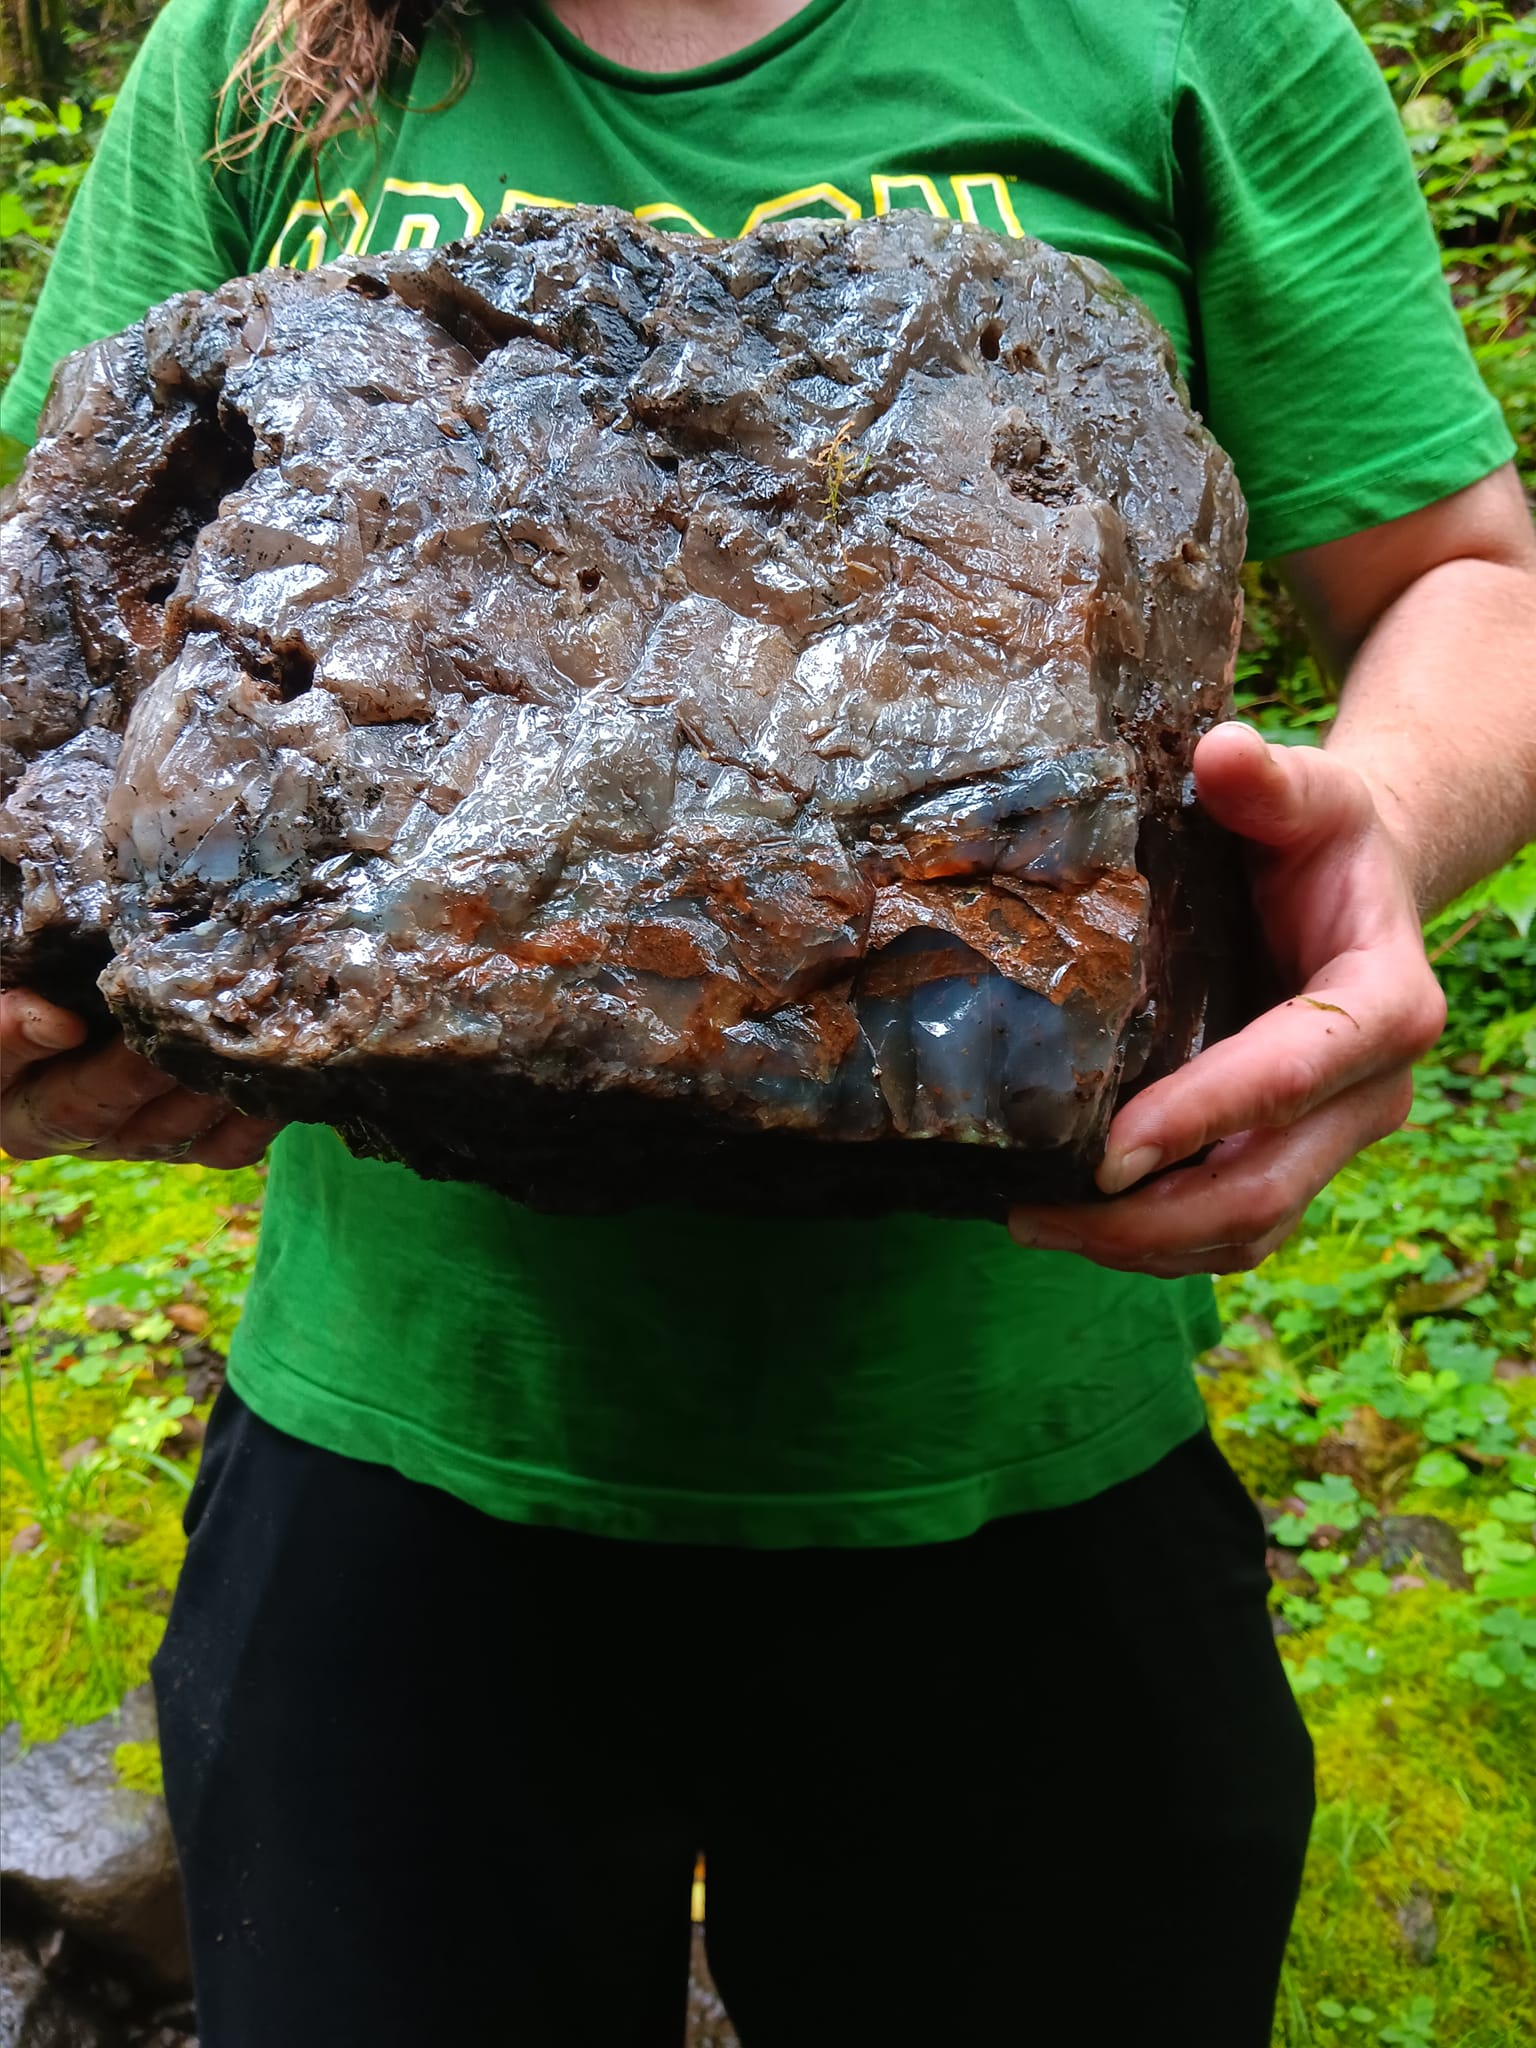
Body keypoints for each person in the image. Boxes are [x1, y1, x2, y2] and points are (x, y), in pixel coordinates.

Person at [3, 1, 1533, 2041]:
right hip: (399, 1468)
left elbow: (1461, 581)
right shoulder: (262, 42)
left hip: (1018, 1468)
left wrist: (1383, 839)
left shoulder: (1197, 29)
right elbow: (69, 586)